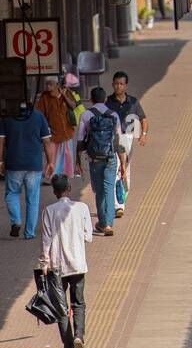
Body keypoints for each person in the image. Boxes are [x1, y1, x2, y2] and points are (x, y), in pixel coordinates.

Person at [39, 173, 92, 348]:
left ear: (54, 192)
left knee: (61, 307)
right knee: (78, 303)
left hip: (57, 267)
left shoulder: (49, 211)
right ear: (69, 188)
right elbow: (88, 236)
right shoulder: (82, 208)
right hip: (78, 264)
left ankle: (68, 347)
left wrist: (44, 263)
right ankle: (79, 336)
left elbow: (46, 240)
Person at [0, 102, 53, 239]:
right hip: (34, 165)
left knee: (12, 194)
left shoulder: (7, 117)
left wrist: (0, 161)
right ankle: (29, 233)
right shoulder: (38, 116)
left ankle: (16, 221)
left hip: (13, 163)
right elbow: (47, 141)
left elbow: (1, 141)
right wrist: (50, 162)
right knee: (33, 199)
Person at [76, 87, 122, 236]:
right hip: (110, 158)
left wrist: (78, 161)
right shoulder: (114, 115)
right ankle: (108, 224)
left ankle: (102, 223)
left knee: (99, 191)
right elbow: (117, 140)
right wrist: (122, 159)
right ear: (105, 99)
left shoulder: (86, 115)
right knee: (109, 188)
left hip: (94, 159)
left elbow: (80, 140)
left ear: (91, 99)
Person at [105, 71, 148, 216]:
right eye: (116, 84)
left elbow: (143, 119)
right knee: (117, 168)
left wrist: (143, 134)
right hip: (113, 139)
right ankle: (119, 205)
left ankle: (122, 199)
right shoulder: (108, 102)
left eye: (121, 84)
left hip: (127, 138)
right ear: (112, 84)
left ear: (126, 85)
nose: (118, 87)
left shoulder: (134, 102)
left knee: (126, 171)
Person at [35, 76, 79, 182]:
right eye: (47, 84)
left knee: (66, 155)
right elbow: (39, 113)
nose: (48, 86)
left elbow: (73, 105)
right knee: (52, 155)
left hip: (66, 131)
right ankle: (51, 176)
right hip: (52, 132)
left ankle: (65, 176)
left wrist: (64, 95)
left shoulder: (66, 92)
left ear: (57, 85)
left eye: (50, 84)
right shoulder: (44, 97)